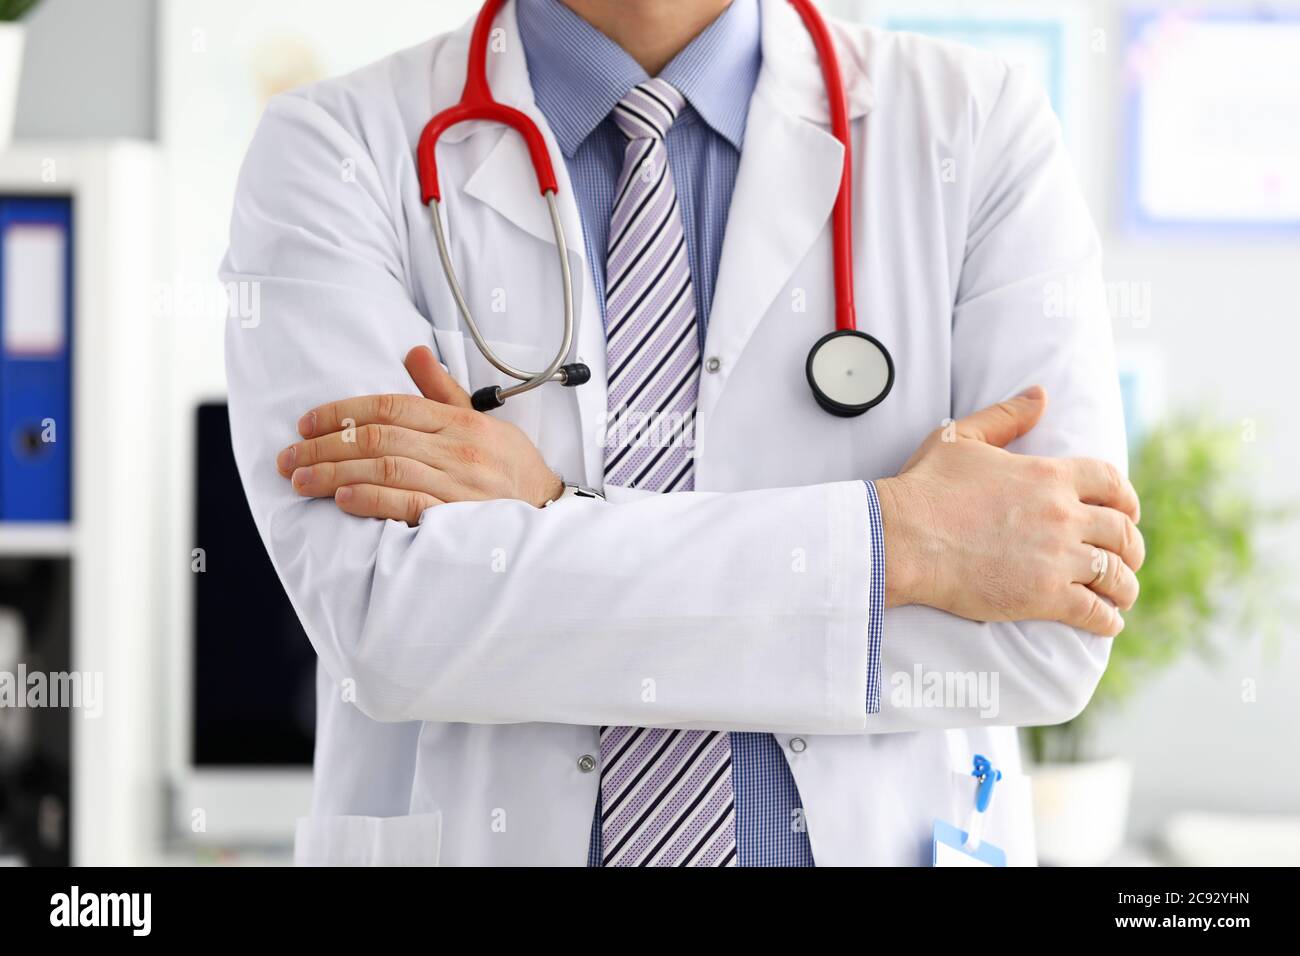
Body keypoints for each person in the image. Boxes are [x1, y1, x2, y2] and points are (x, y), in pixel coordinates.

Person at [223, 0, 1142, 866]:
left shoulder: (976, 126)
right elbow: (396, 626)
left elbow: (1047, 635)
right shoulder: (333, 150)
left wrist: (549, 519)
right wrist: (898, 547)